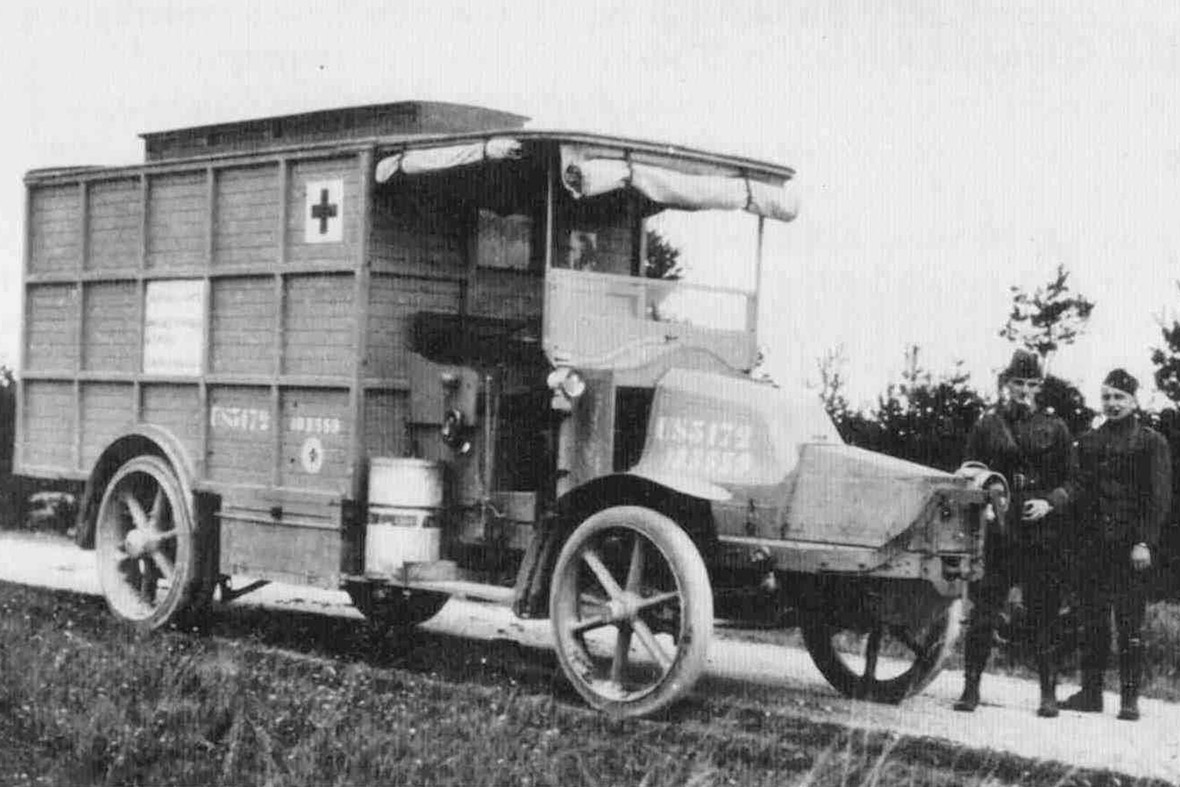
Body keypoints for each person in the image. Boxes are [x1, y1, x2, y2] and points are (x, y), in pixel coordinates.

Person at [953, 349, 1074, 717]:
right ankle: (970, 689)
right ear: (1005, 384)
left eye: (1030, 384)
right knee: (985, 609)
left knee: (1044, 613)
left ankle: (1047, 695)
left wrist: (1050, 502)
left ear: (1039, 387)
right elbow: (969, 468)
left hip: (1040, 529)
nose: (1023, 391)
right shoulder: (987, 424)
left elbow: (1074, 479)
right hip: (999, 527)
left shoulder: (1056, 427)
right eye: (1016, 383)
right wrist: (984, 500)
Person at [1050, 369, 1172, 721]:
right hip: (1093, 548)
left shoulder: (1151, 442)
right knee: (1094, 622)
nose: (1112, 403)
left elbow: (1158, 498)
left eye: (1119, 397)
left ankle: (1130, 700)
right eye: (1106, 397)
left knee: (1130, 624)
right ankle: (1091, 694)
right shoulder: (1088, 441)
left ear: (1134, 401)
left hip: (1131, 549)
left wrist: (1144, 542)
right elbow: (1079, 489)